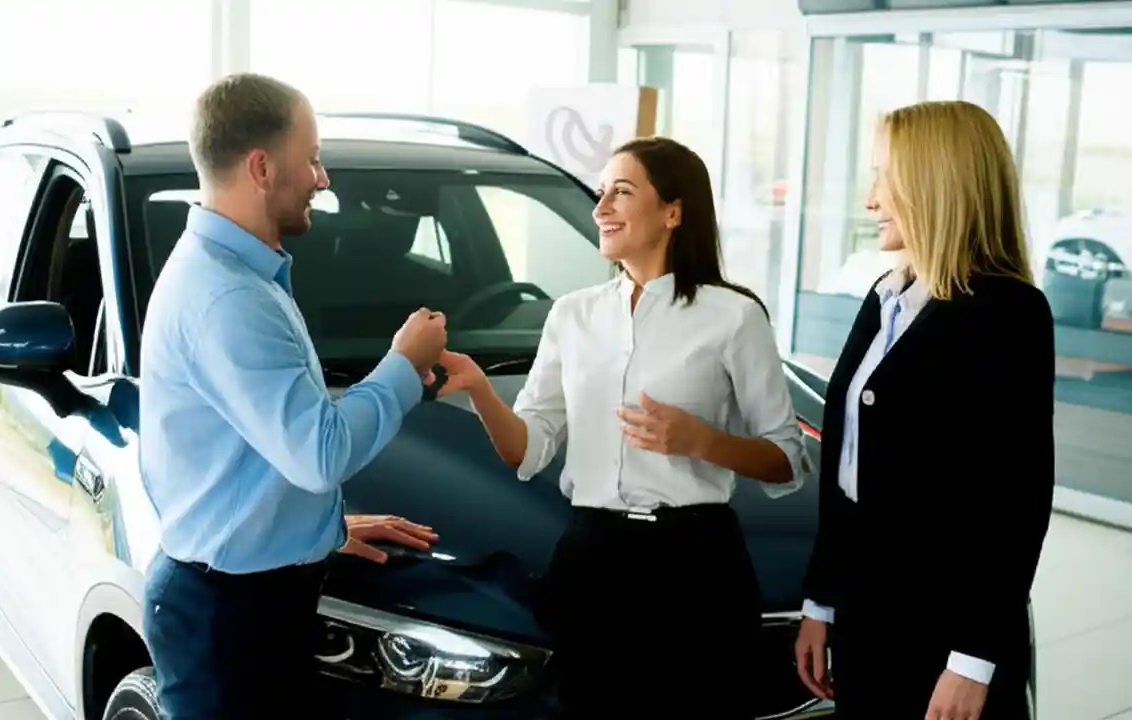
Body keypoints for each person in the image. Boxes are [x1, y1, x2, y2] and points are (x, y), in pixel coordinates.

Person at [435, 136, 814, 719]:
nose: (601, 207)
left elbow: (788, 458)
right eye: (601, 192)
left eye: (622, 192)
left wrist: (700, 441)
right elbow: (528, 451)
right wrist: (482, 389)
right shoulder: (572, 314)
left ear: (673, 211)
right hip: (593, 562)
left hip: (697, 565)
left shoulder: (735, 316)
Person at [138, 73, 448, 718]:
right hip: (229, 616)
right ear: (260, 166)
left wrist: (319, 526)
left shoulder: (238, 275)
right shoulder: (229, 297)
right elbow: (318, 453)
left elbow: (255, 444)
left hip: (247, 598)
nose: (322, 177)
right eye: (310, 159)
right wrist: (402, 364)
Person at [793, 100, 1056, 720]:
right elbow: (848, 477)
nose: (871, 199)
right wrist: (821, 603)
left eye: (884, 176)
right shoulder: (886, 297)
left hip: (947, 638)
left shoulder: (1008, 314)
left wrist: (973, 658)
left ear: (934, 184)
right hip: (867, 619)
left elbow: (1015, 504)